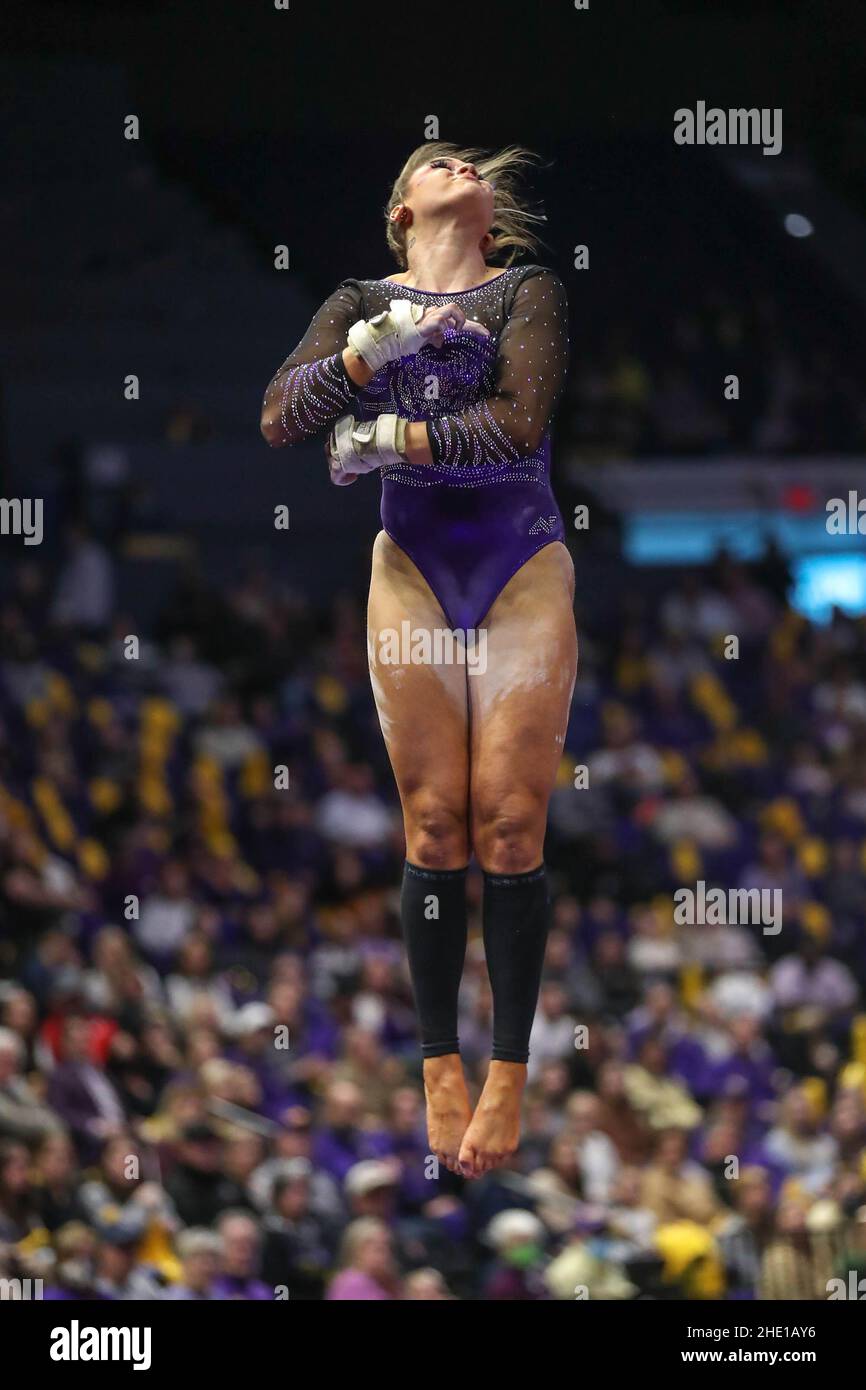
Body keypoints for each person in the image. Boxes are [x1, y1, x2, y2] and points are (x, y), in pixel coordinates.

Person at [262, 143, 575, 1180]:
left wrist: (389, 431)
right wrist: (366, 353)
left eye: (468, 160)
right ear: (401, 210)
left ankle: (509, 1065)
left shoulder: (525, 289)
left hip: (517, 558)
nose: (457, 161)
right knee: (435, 822)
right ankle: (437, 1059)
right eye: (433, 159)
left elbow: (517, 422)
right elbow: (280, 417)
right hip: (412, 566)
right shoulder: (360, 297)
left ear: (485, 214)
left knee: (508, 818)